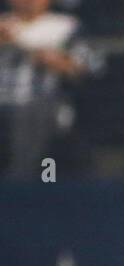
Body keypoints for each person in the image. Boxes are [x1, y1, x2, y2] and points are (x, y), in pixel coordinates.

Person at [0, 0, 100, 179]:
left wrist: (23, 44)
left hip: (40, 103)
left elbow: (89, 67)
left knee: (29, 118)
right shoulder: (3, 23)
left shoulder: (64, 26)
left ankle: (23, 187)